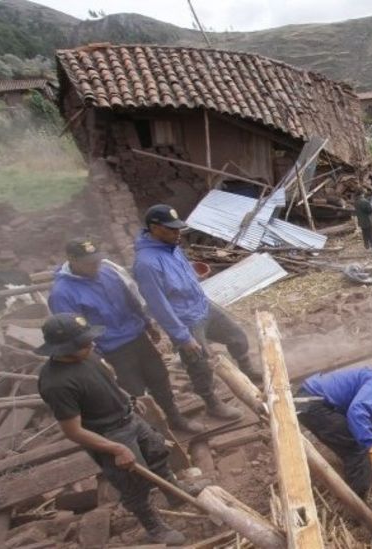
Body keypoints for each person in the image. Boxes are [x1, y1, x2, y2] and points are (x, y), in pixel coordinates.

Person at [36, 313, 188, 544]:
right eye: (84, 342)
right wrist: (116, 449)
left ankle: (175, 493)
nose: (92, 344)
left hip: (128, 418)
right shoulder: (56, 383)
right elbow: (73, 431)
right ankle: (154, 527)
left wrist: (127, 398)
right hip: (109, 434)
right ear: (63, 348)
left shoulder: (86, 355)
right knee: (133, 484)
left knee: (157, 454)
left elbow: (108, 381)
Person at [49, 238, 202, 433]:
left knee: (159, 378)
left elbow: (130, 300)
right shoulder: (62, 294)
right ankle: (154, 434)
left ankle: (175, 418)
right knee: (134, 394)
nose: (95, 266)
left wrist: (147, 324)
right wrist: (99, 361)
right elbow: (75, 334)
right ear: (72, 260)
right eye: (89, 263)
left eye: (97, 260)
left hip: (137, 337)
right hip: (111, 350)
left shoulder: (106, 272)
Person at [133, 204, 252, 421]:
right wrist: (182, 337)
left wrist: (194, 279)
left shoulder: (171, 245)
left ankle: (247, 370)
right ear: (154, 228)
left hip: (202, 305)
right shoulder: (146, 264)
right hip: (185, 319)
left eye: (178, 228)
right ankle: (212, 403)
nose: (178, 233)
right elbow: (158, 305)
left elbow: (182, 271)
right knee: (200, 364)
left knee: (237, 336)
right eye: (172, 229)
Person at [296, 366, 372, 498]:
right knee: (356, 446)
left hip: (313, 401)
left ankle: (362, 483)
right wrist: (371, 446)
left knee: (359, 438)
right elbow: (357, 411)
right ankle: (358, 500)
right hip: (311, 401)